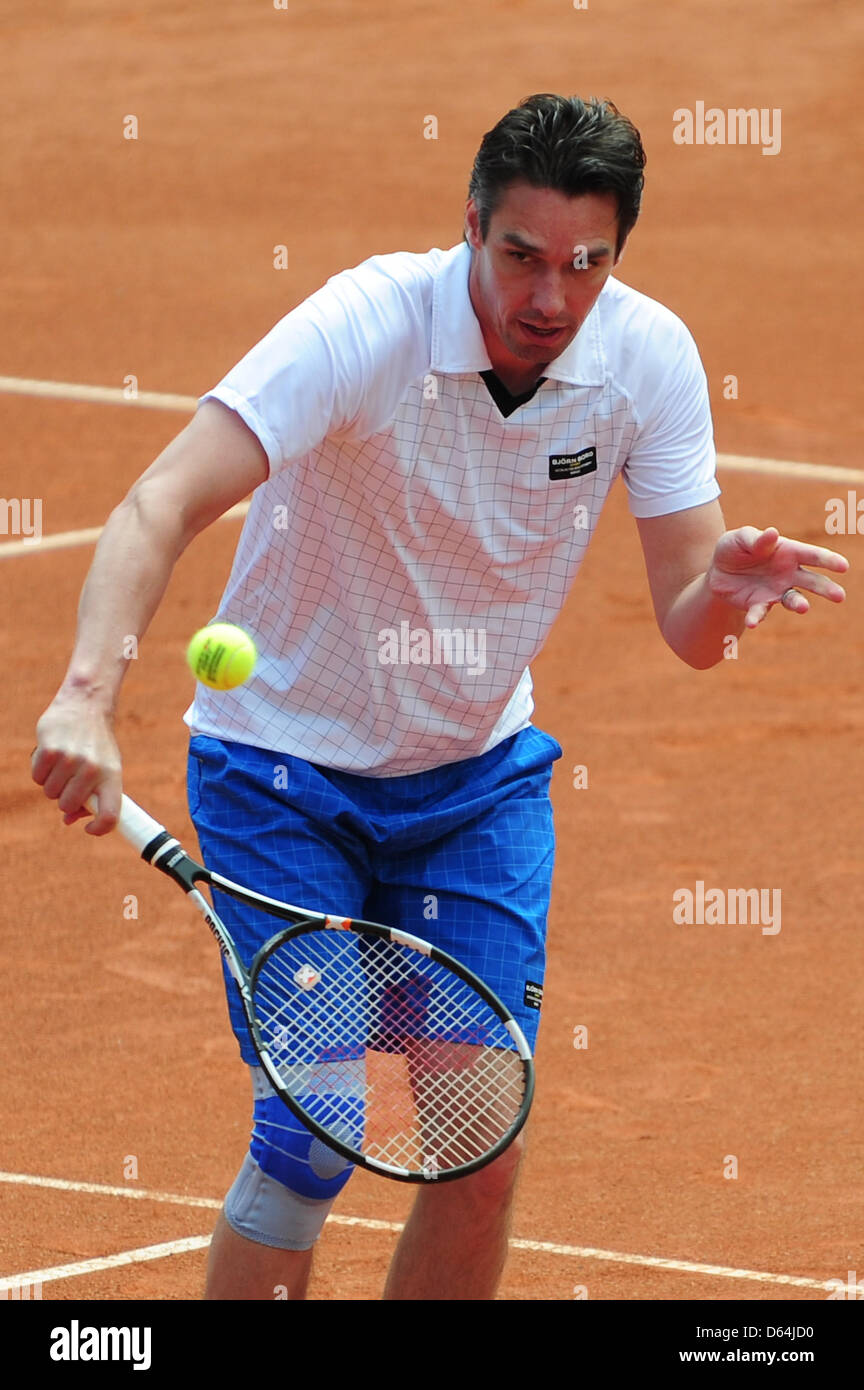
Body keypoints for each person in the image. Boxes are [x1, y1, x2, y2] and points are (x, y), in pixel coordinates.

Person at [31, 94, 848, 1301]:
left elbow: (688, 625)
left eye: (586, 264)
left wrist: (723, 590)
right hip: (281, 774)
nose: (549, 300)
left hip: (473, 780)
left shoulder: (647, 359)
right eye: (520, 255)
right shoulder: (365, 327)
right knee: (310, 1140)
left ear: (618, 255)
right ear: (469, 224)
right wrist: (86, 698)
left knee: (480, 1147)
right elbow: (161, 501)